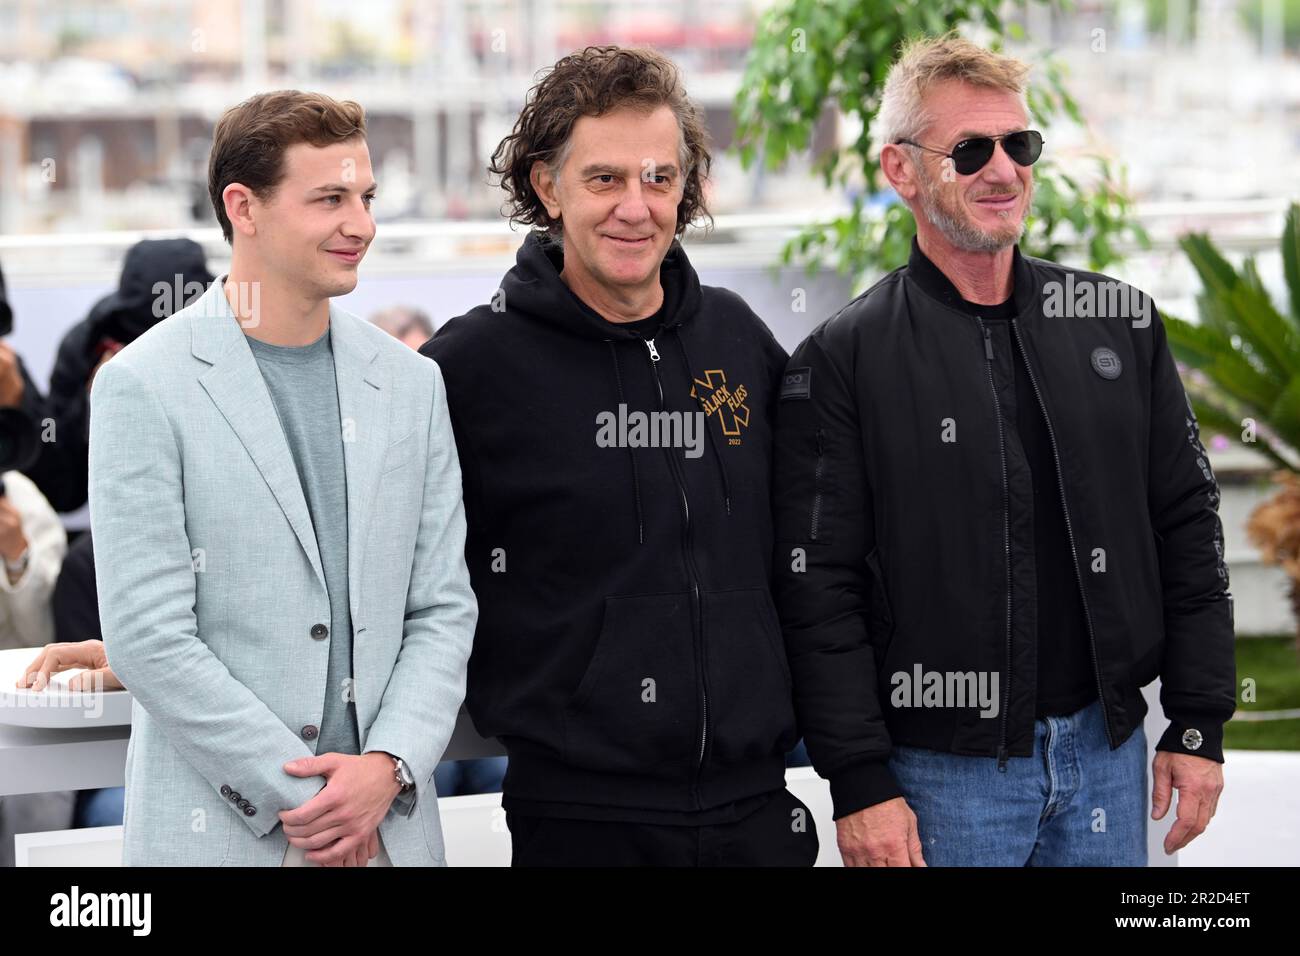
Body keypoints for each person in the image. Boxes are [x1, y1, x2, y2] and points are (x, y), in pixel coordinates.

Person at [771, 35, 1234, 867]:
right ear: (900, 171)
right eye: (971, 149)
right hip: (939, 778)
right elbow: (818, 590)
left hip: (1110, 753)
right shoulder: (843, 360)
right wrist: (860, 782)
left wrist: (1199, 723)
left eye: (1019, 145)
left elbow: (1188, 526)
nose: (1003, 169)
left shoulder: (1119, 325)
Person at [423, 46, 817, 866]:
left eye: (659, 178)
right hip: (580, 820)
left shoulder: (738, 337)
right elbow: (395, 578)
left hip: (759, 807)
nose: (635, 208)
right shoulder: (471, 367)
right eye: (604, 179)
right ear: (546, 187)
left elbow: (820, 542)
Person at [85, 89, 477, 866]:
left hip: (392, 834)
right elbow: (149, 639)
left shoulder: (411, 383)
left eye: (365, 197)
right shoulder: (143, 384)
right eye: (329, 198)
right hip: (223, 839)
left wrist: (387, 769)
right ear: (244, 207)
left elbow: (442, 608)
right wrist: (313, 802)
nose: (360, 224)